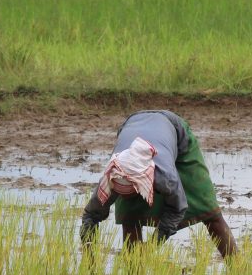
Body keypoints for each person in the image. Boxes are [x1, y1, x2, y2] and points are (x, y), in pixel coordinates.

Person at [80, 110, 236, 258]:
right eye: (122, 194)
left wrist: (154, 244)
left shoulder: (164, 177)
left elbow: (177, 208)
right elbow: (89, 216)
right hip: (131, 125)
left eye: (132, 193)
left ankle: (238, 272)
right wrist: (90, 262)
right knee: (129, 217)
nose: (128, 197)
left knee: (210, 213)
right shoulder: (112, 177)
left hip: (175, 133)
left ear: (146, 182)